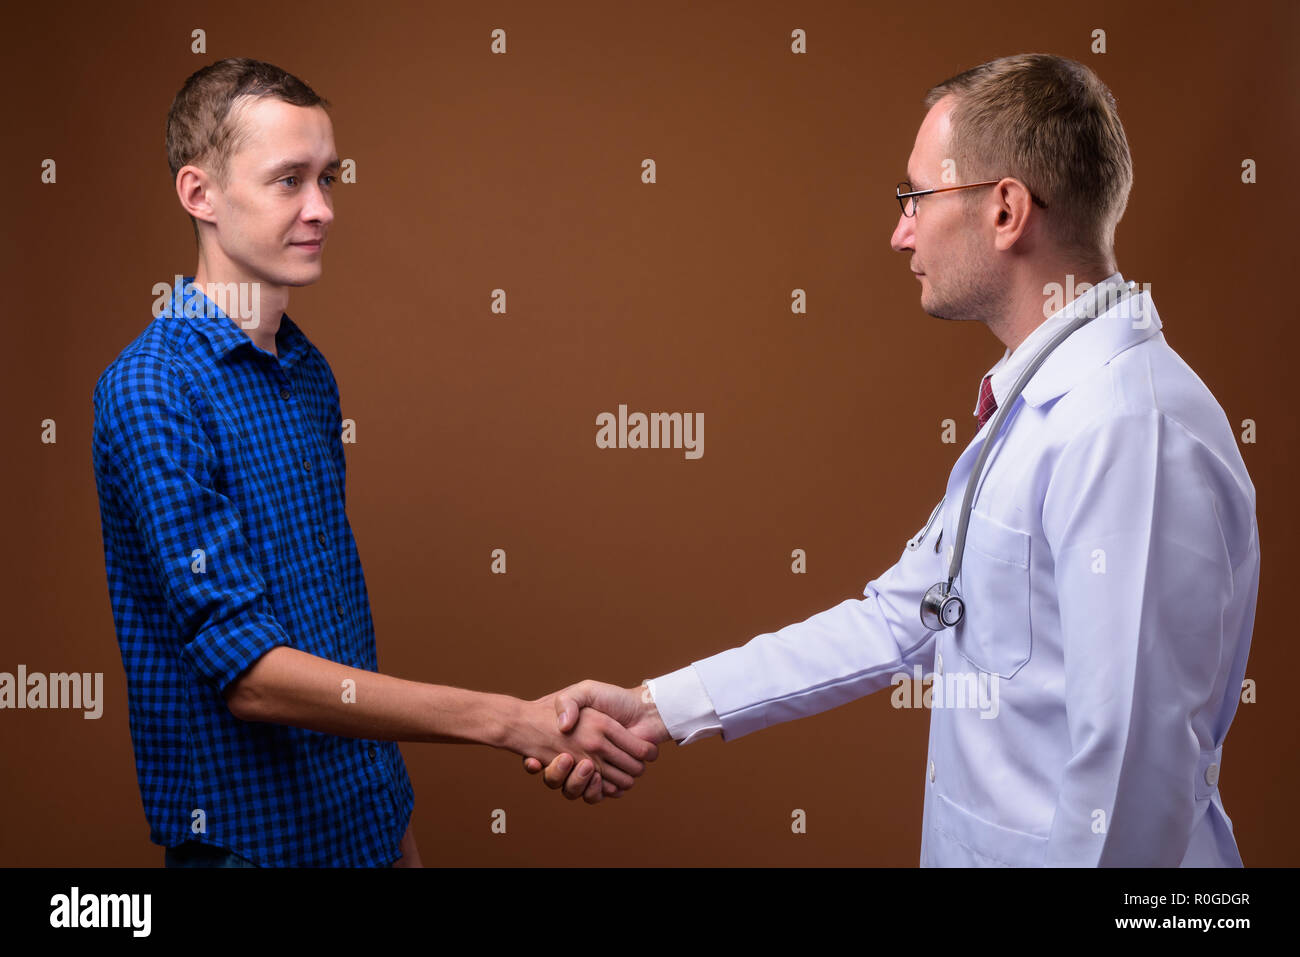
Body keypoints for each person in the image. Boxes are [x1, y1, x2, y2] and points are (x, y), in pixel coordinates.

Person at [529, 53, 1260, 867]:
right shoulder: (1044, 402)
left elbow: (1131, 779)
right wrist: (652, 706)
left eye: (916, 197)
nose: (899, 230)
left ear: (1007, 209)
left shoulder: (1129, 429)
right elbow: (897, 618)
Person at [91, 58, 655, 869]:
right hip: (252, 845)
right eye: (289, 180)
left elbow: (330, 625)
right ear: (199, 194)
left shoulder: (305, 367)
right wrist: (508, 720)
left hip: (368, 817)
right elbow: (248, 674)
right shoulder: (151, 390)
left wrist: (392, 824)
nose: (321, 208)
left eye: (328, 177)